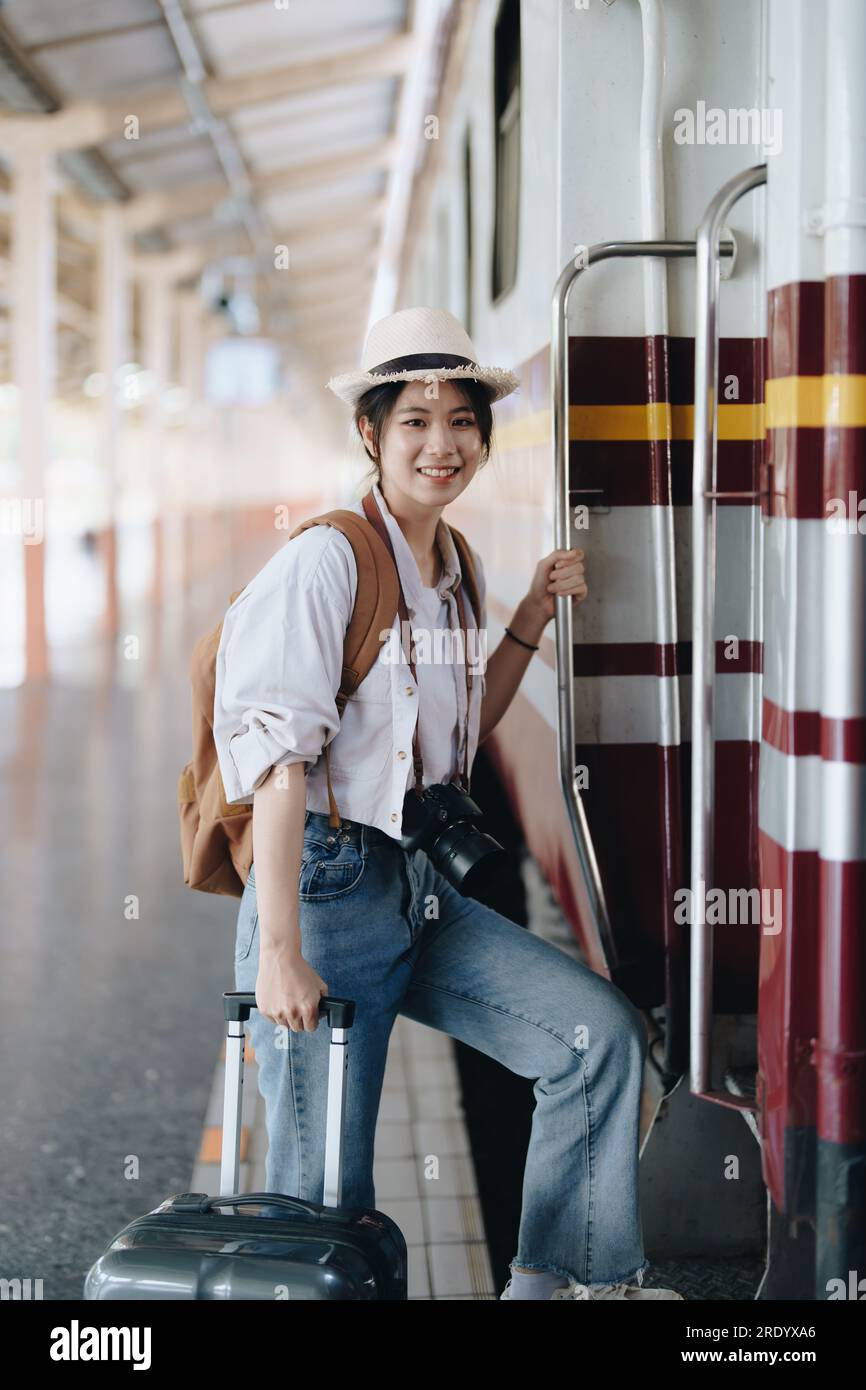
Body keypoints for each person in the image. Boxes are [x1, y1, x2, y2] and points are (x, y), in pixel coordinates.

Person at [213, 306, 682, 1301]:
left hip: (414, 887)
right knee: (322, 1197)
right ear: (370, 435)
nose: (442, 444)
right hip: (326, 884)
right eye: (415, 421)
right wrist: (283, 948)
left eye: (461, 420)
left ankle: (554, 1284)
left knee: (590, 1038)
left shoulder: (453, 566)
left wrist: (526, 611)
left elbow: (463, 727)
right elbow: (278, 765)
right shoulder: (327, 560)